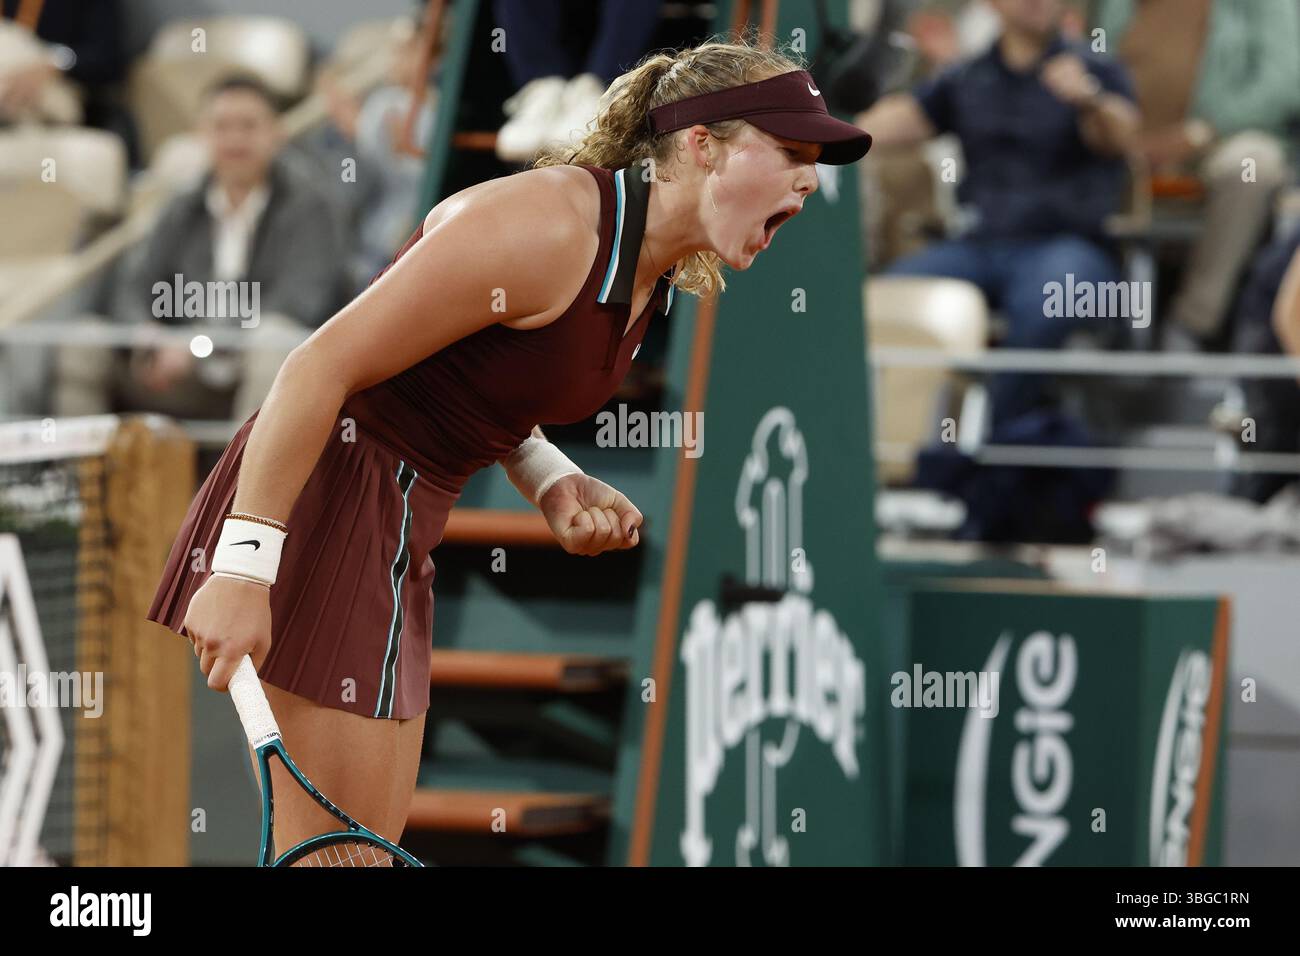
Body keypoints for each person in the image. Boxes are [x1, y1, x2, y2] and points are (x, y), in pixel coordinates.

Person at [145, 40, 871, 858]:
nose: (810, 180)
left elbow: (473, 380)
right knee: (340, 861)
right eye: (790, 152)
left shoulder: (645, 265)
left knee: (358, 858)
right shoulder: (547, 226)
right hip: (323, 503)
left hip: (394, 525)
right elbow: (318, 365)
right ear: (701, 145)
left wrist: (550, 477)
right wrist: (244, 567)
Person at [856, 0, 1139, 424]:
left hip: (1068, 247)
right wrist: (812, 126)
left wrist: (1089, 99)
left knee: (1047, 301)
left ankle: (992, 443)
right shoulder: (967, 75)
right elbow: (898, 120)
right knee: (888, 297)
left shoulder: (1094, 69)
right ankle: (893, 442)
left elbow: (1123, 137)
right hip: (977, 246)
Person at [54, 75, 347, 422]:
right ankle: (83, 475)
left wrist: (200, 344)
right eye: (222, 126)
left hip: (251, 368)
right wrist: (149, 336)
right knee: (84, 341)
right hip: (177, 367)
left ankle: (247, 477)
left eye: (249, 126)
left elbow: (300, 301)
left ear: (276, 132)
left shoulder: (311, 205)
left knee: (272, 341)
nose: (235, 139)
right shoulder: (181, 203)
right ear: (201, 135)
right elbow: (133, 286)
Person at [1095, 0, 1300, 344]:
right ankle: (1091, 318)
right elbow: (1095, 58)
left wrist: (1204, 131)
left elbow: (1285, 82)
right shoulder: (1113, 6)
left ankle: (1193, 323)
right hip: (1126, 146)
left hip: (1218, 140)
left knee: (1251, 166)